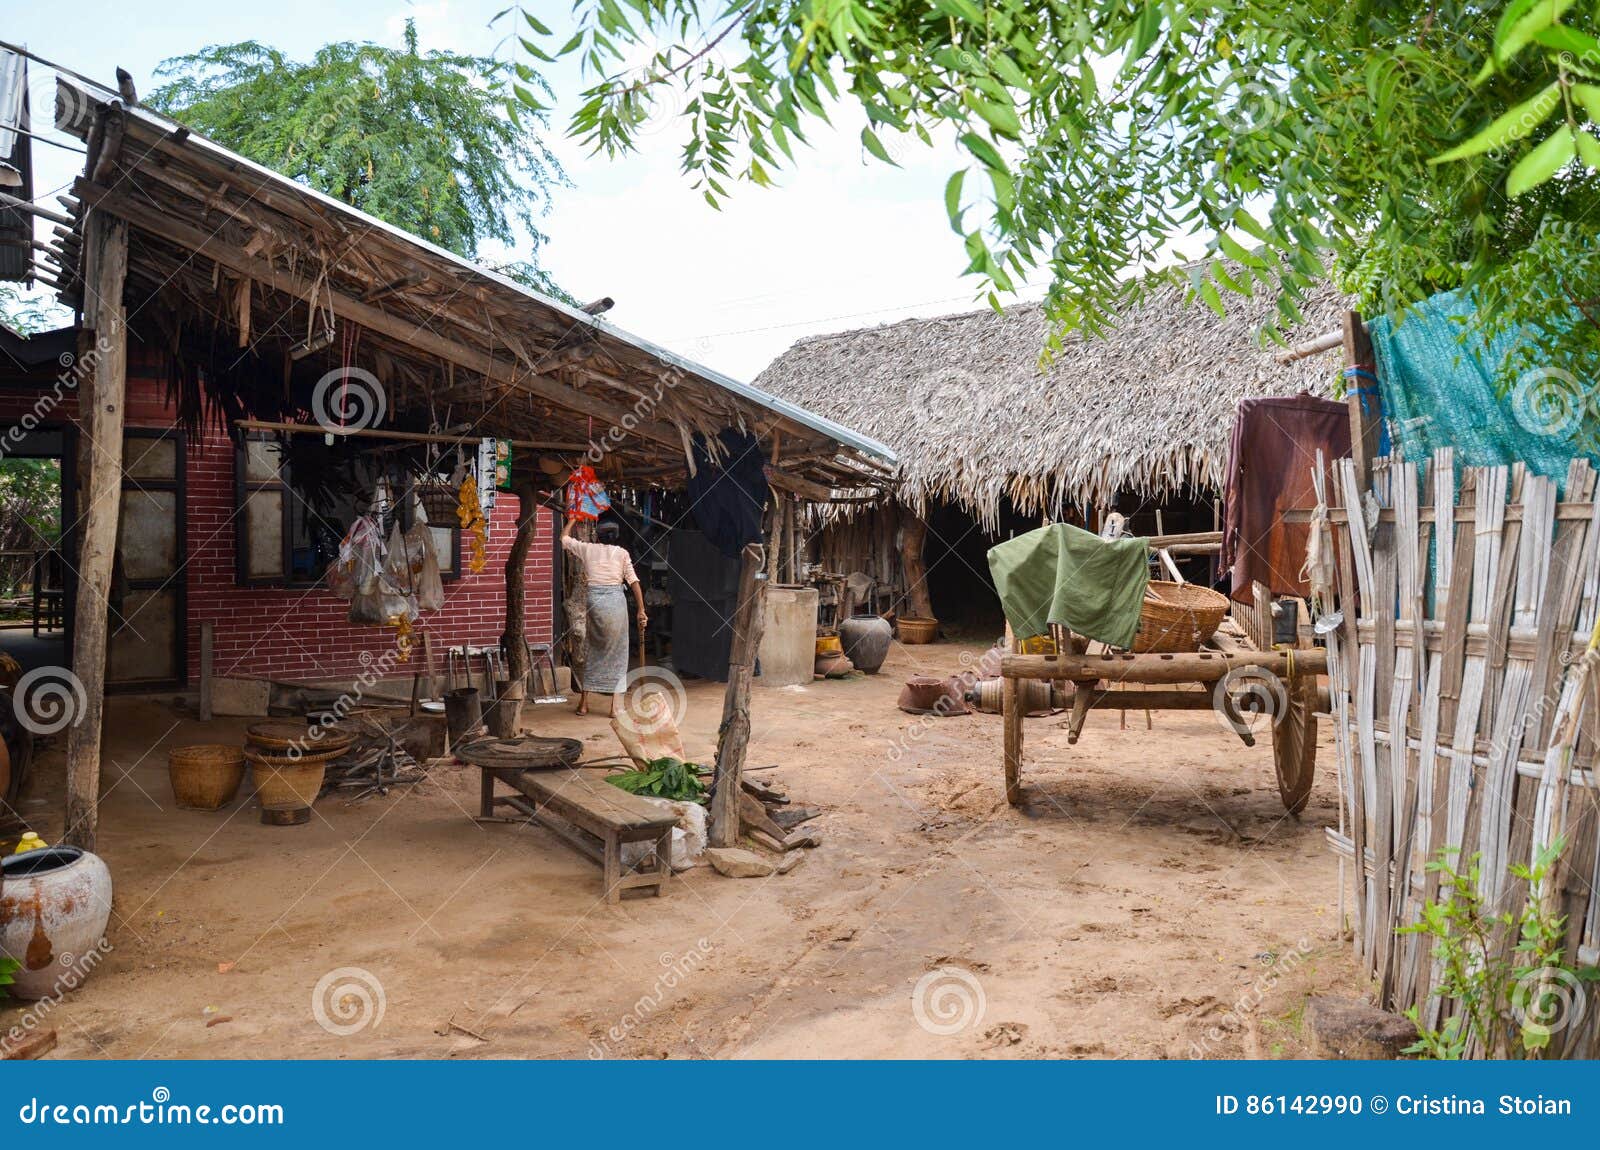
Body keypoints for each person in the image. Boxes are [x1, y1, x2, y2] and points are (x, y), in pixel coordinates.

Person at [561, 518, 647, 716]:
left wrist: (572, 519)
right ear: (616, 537)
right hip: (616, 603)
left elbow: (564, 539)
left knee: (593, 650)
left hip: (594, 603)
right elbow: (633, 581)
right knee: (619, 653)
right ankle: (615, 708)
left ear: (597, 536)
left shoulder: (588, 549)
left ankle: (584, 704)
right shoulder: (622, 553)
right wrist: (641, 609)